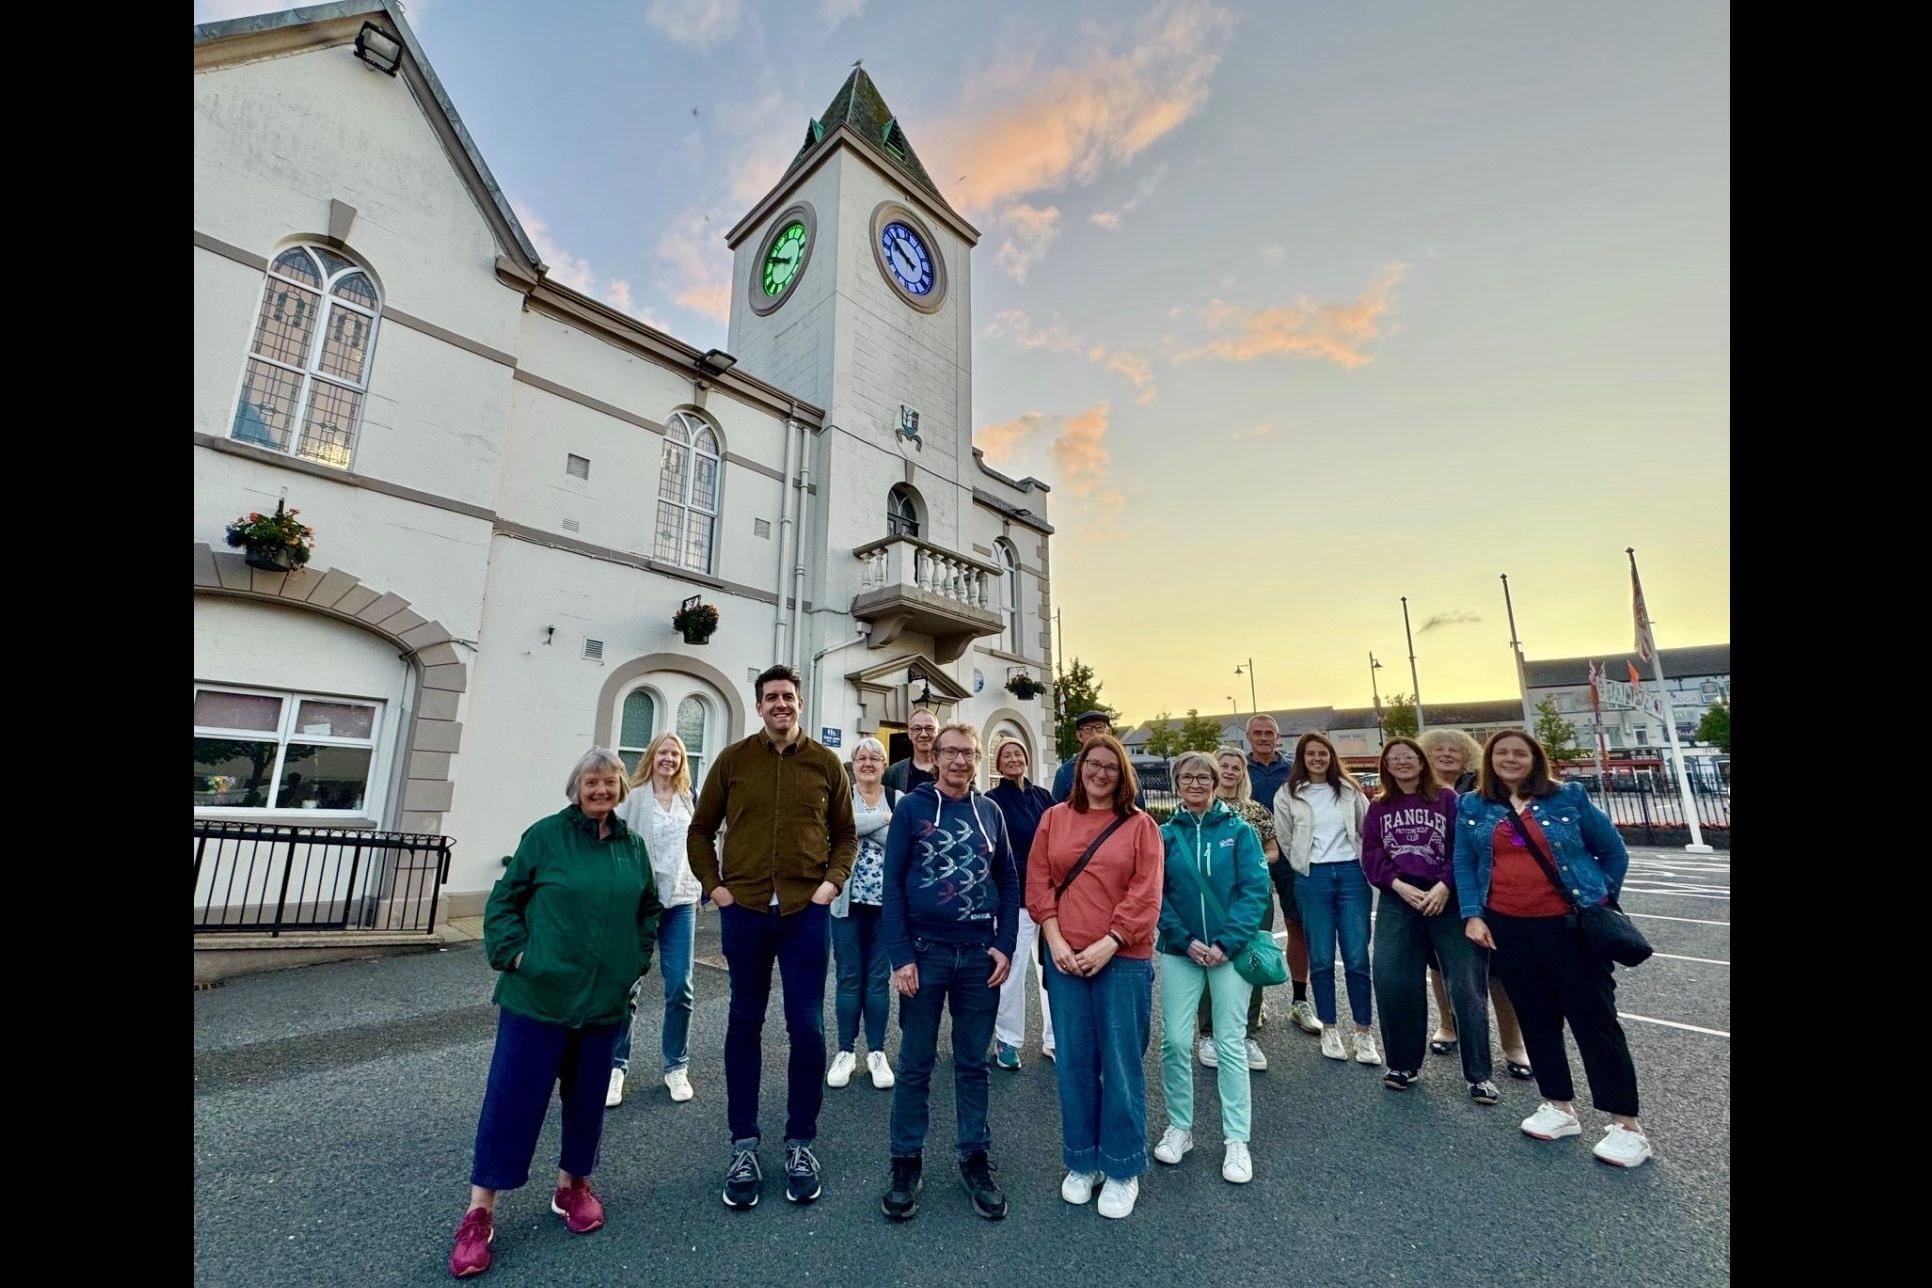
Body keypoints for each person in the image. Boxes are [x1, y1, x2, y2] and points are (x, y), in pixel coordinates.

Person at [448, 749, 662, 1279]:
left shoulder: (632, 846)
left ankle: (572, 1186)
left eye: (609, 783)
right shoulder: (545, 836)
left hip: (603, 1003)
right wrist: (519, 956)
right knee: (512, 1102)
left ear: (621, 789)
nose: (601, 791)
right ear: (576, 788)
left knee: (587, 1102)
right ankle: (480, 1211)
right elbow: (504, 902)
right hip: (538, 999)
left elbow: (647, 910)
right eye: (591, 783)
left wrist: (634, 962)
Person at [688, 664, 859, 1210]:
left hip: (806, 910)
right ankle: (743, 1144)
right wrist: (715, 888)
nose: (780, 704)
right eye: (771, 698)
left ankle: (800, 1141)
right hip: (745, 909)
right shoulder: (733, 761)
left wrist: (832, 884)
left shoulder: (826, 763)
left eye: (788, 697)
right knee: (745, 1022)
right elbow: (700, 830)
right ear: (759, 706)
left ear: (799, 704)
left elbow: (846, 834)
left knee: (806, 1026)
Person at [1456, 731, 1652, 1167]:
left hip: (1569, 927)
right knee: (1536, 1017)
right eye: (1501, 753)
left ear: (1535, 759)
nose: (1510, 759)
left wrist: (1598, 900)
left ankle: (1626, 1125)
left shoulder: (1568, 797)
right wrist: (1473, 914)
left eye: (1519, 753)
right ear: (1489, 759)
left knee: (1594, 1020)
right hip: (1509, 927)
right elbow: (1465, 862)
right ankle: (1558, 1105)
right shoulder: (1473, 805)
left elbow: (1613, 852)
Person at [878, 722, 1020, 1222]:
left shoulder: (991, 812)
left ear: (978, 759)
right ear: (935, 757)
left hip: (978, 956)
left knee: (972, 1063)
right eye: (952, 752)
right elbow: (893, 883)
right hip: (925, 954)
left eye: (969, 753)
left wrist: (1005, 944)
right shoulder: (912, 809)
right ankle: (905, 1162)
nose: (961, 761)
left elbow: (1008, 879)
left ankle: (974, 1159)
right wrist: (900, 955)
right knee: (915, 1063)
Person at [1027, 733, 1164, 1219]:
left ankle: (1123, 1166)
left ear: (1122, 774)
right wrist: (1056, 941)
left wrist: (1110, 942)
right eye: (1093, 764)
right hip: (1066, 959)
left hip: (1122, 960)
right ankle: (1082, 1160)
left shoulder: (1141, 826)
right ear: (1079, 769)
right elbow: (1038, 883)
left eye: (1110, 766)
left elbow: (1146, 895)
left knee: (1121, 1065)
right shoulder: (1053, 819)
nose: (1100, 773)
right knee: (1075, 1063)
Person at [1361, 737, 1499, 1105]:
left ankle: (1479, 1074)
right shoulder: (1379, 806)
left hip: (1447, 901)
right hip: (1399, 899)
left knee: (1466, 985)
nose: (1401, 762)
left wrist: (1444, 885)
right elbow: (1372, 855)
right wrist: (1397, 885)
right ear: (1385, 766)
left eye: (1408, 757)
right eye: (1394, 758)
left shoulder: (1447, 799)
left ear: (1422, 762)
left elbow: (1462, 848)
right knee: (1393, 980)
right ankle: (1402, 1064)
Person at [1153, 752, 1269, 1185]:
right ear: (1176, 783)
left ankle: (1236, 1139)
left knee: (1229, 1042)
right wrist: (1185, 939)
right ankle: (1179, 1127)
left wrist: (1225, 943)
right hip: (1180, 950)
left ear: (1217, 782)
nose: (1195, 784)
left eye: (1204, 777)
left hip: (1228, 952)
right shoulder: (1165, 835)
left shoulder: (1239, 832)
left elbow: (1255, 891)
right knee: (1175, 1040)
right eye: (1187, 777)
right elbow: (1156, 894)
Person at [1418, 727, 1534, 1082]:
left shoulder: (1484, 788)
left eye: (1454, 749)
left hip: (1483, 888)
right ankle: (1447, 1024)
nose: (1446, 754)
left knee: (1496, 967)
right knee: (1439, 963)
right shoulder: (1417, 789)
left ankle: (1513, 1044)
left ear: (1467, 754)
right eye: (1438, 749)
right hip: (1433, 889)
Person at [1272, 732, 1380, 1066]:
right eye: (1311, 754)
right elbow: (1285, 837)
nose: (1317, 759)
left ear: (1331, 757)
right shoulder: (1289, 794)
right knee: (1320, 956)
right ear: (1301, 758)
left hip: (1351, 875)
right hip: (1313, 878)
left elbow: (1365, 830)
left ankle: (1363, 1033)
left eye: (1323, 753)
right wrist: (1304, 864)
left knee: (1357, 957)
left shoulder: (1349, 791)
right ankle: (1330, 1028)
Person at [607, 732, 701, 1108]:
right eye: (663, 752)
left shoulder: (688, 796)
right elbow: (614, 844)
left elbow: (699, 843)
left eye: (676, 754)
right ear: (651, 756)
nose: (669, 759)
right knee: (626, 987)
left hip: (680, 902)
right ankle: (615, 1067)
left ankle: (676, 1066)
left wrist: (702, 887)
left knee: (680, 987)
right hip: (639, 905)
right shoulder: (633, 796)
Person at [1196, 746, 1278, 1072]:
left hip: (1254, 895)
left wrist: (1251, 861)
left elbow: (1273, 850)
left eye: (1236, 767)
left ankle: (1247, 1033)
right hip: (1213, 898)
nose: (1230, 771)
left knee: (1251, 961)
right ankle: (1208, 1034)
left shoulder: (1256, 811)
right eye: (1224, 766)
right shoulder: (1203, 810)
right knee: (1210, 960)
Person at [828, 737, 899, 1091]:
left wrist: (861, 826)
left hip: (887, 907)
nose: (868, 763)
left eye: (875, 758)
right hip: (846, 904)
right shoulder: (842, 797)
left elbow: (900, 842)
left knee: (877, 980)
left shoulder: (899, 800)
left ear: (884, 765)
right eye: (861, 758)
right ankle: (845, 1051)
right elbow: (838, 829)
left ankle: (876, 1052)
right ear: (852, 765)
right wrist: (883, 819)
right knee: (848, 978)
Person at [1242, 715, 1319, 1036]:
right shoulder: (1238, 768)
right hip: (1247, 859)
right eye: (1257, 733)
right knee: (1250, 930)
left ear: (1278, 736)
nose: (1263, 738)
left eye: (1269, 733)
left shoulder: (1294, 770)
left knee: (1296, 924)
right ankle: (1253, 1003)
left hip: (1289, 857)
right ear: (1248, 736)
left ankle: (1300, 1001)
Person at [985, 735, 1058, 1069]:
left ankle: (1055, 1039)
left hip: (1050, 899)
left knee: (1053, 973)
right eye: (1007, 755)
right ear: (998, 764)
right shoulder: (992, 800)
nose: (1014, 759)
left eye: (1018, 753)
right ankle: (1007, 1040)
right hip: (1014, 901)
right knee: (1011, 973)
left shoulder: (1043, 796)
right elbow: (996, 852)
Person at [1051, 710, 1148, 808]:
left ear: (1108, 732)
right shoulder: (1065, 772)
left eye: (1099, 727)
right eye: (1087, 729)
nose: (1094, 733)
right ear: (1079, 736)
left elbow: (1138, 807)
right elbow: (1056, 810)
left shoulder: (1124, 768)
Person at [882, 707, 939, 794]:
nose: (923, 734)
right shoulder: (892, 774)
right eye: (917, 729)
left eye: (929, 728)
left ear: (938, 732)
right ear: (909, 733)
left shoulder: (950, 769)